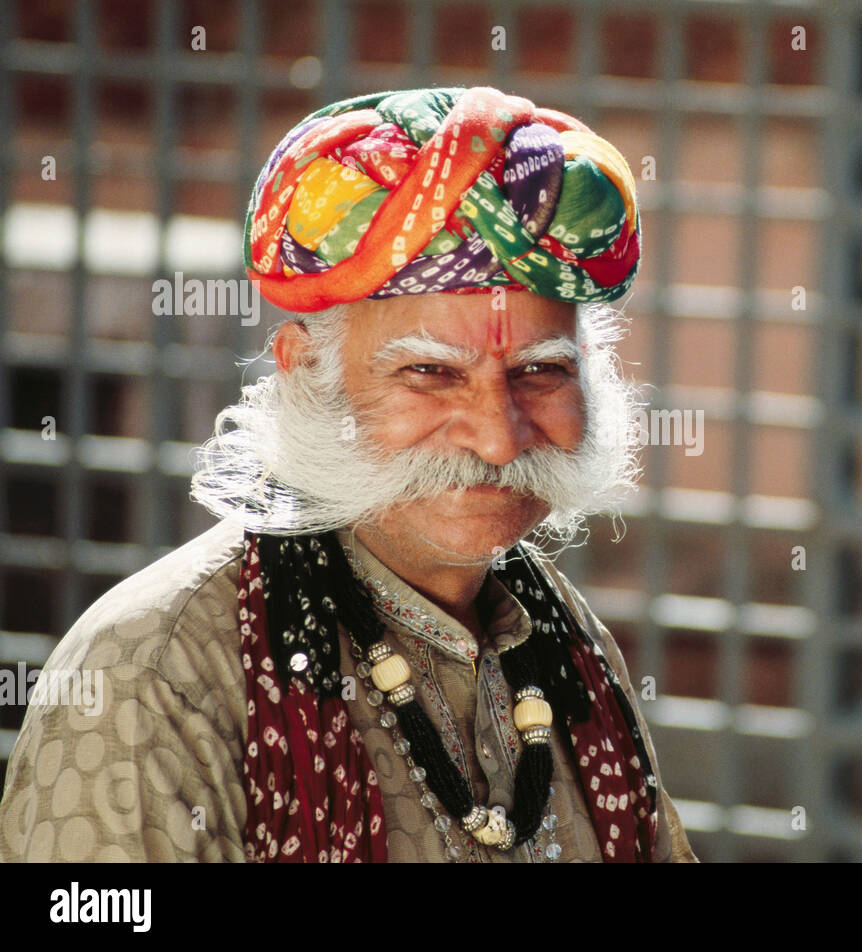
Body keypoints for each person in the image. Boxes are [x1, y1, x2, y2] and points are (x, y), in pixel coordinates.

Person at [0, 85, 696, 863]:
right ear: (308, 374)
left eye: (539, 371)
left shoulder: (558, 636)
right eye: (430, 372)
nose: (499, 439)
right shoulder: (155, 671)